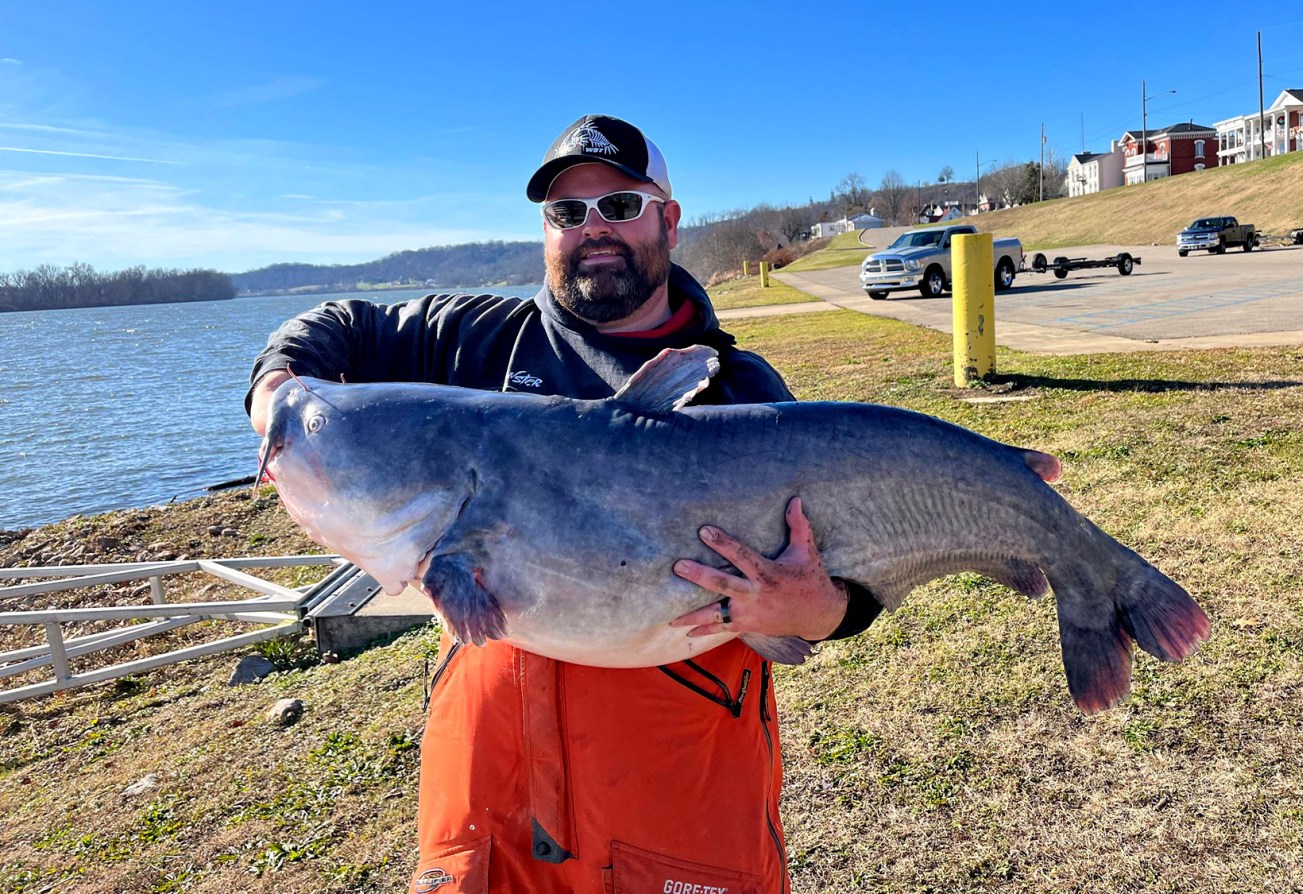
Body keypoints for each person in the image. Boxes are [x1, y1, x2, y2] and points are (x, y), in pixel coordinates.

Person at [247, 114, 881, 894]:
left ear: (669, 220)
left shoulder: (747, 398)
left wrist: (814, 609)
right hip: (491, 804)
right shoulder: (478, 341)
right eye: (566, 213)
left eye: (618, 205)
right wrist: (278, 389)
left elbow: (850, 591)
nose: (593, 230)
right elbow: (334, 326)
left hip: (680, 792)